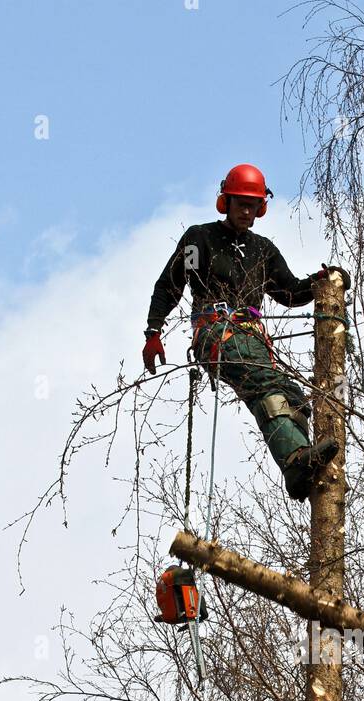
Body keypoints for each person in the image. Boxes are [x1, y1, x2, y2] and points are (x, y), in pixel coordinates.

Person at [142, 163, 351, 502]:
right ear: (226, 201)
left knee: (291, 395)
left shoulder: (263, 250)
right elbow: (170, 284)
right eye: (240, 203)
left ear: (261, 208)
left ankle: (298, 467)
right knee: (268, 384)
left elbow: (289, 292)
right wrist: (154, 330)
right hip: (217, 333)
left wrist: (320, 282)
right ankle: (296, 458)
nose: (246, 211)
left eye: (252, 205)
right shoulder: (200, 239)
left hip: (251, 339)